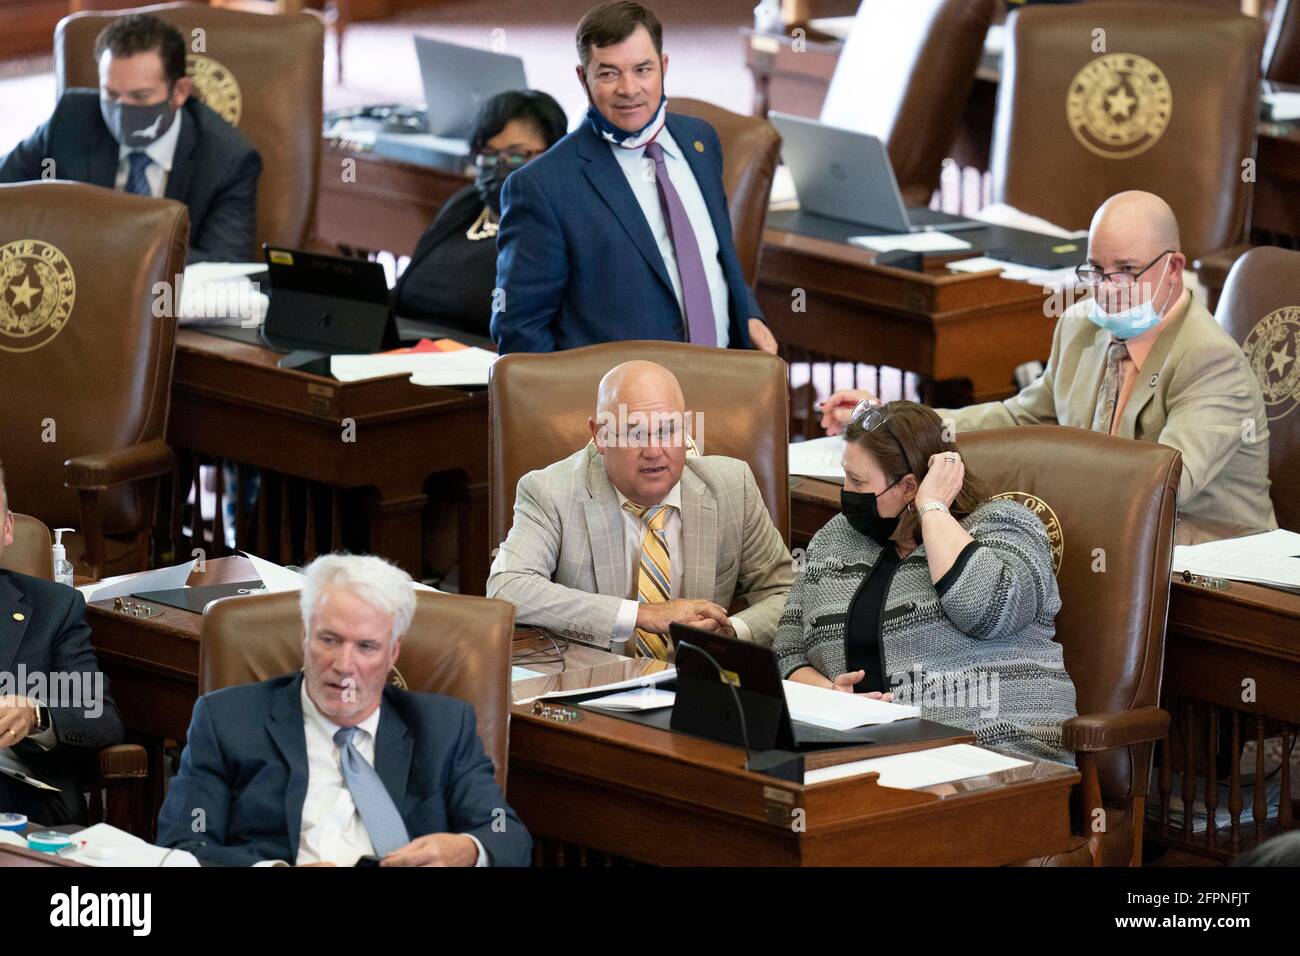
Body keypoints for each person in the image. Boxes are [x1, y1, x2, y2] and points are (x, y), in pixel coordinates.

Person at [818, 191, 1276, 531]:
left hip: (1209, 558)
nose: (1108, 289)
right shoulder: (1081, 326)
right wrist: (897, 423)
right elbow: (1019, 417)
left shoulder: (1210, 360)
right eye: (1096, 271)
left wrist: (1051, 472)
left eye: (1126, 271)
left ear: (1173, 268)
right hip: (1108, 534)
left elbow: (1165, 489)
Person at [156, 553, 531, 866]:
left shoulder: (444, 728)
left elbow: (506, 834)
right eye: (329, 640)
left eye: (366, 647)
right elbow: (183, 846)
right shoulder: (227, 722)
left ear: (392, 653)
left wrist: (467, 849)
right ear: (304, 635)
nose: (344, 664)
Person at [774, 402, 1078, 764]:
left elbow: (990, 612)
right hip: (865, 749)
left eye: (858, 481)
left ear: (909, 487)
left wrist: (932, 507)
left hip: (995, 750)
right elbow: (787, 652)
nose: (846, 491)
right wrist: (830, 694)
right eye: (846, 476)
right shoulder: (837, 538)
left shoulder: (1008, 526)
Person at [490, 1, 778, 355]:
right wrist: (568, 406)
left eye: (643, 69)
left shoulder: (700, 141)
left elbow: (713, 254)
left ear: (664, 66)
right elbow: (519, 328)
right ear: (583, 78)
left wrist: (746, 313)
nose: (629, 89)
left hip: (721, 381)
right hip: (617, 405)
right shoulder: (542, 186)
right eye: (609, 73)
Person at [487, 360, 792, 658]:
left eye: (668, 430)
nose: (654, 451)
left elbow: (786, 592)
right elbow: (507, 587)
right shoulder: (551, 491)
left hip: (696, 688)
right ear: (600, 436)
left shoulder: (731, 487)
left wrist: (731, 633)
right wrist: (639, 615)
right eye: (635, 433)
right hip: (592, 687)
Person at [0, 14, 261, 263]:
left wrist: (117, 248)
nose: (122, 110)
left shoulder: (228, 159)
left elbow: (224, 266)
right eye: (111, 95)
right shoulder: (71, 119)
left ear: (180, 92)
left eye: (140, 96)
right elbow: (5, 188)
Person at [0, 461, 125, 824]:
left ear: (8, 529)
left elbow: (101, 717)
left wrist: (36, 715)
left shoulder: (53, 608)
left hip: (18, 799)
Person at [393, 90, 568, 338]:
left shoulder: (558, 230)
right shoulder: (467, 204)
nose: (498, 167)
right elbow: (404, 290)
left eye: (516, 156)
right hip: (402, 349)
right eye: (487, 156)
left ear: (555, 156)